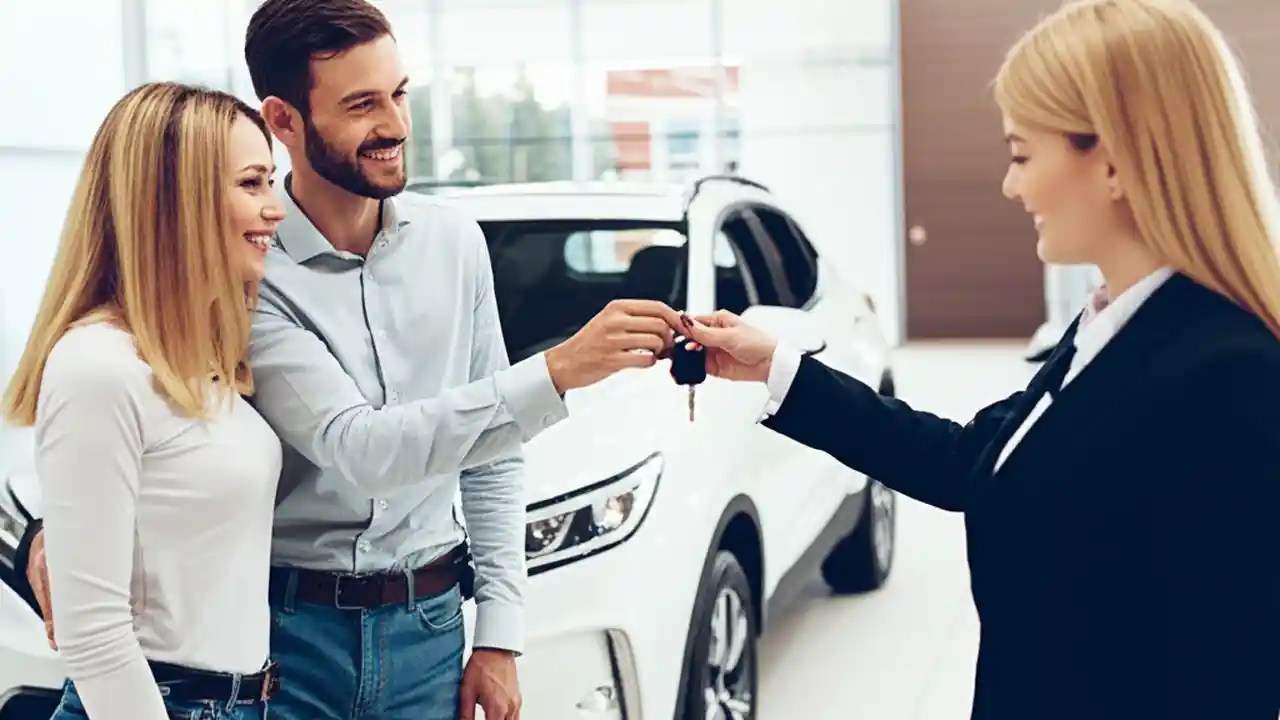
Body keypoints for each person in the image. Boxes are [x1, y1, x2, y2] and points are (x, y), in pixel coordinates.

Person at [16, 1, 683, 719]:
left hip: (426, 627)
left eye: (400, 94)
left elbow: (493, 455)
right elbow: (351, 446)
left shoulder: (455, 245)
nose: (394, 124)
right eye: (362, 103)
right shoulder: (244, 280)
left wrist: (501, 632)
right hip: (286, 637)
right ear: (285, 120)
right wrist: (557, 370)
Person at [678, 0, 1279, 718]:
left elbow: (1228, 680)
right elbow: (973, 461)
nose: (1010, 184)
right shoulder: (1109, 331)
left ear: (1115, 160)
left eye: (1023, 153)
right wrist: (778, 369)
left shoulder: (1230, 378)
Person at [1, 82, 286, 719]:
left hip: (240, 702)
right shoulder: (98, 367)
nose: (276, 208)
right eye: (252, 183)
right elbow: (93, 631)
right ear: (175, 203)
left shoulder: (201, 361)